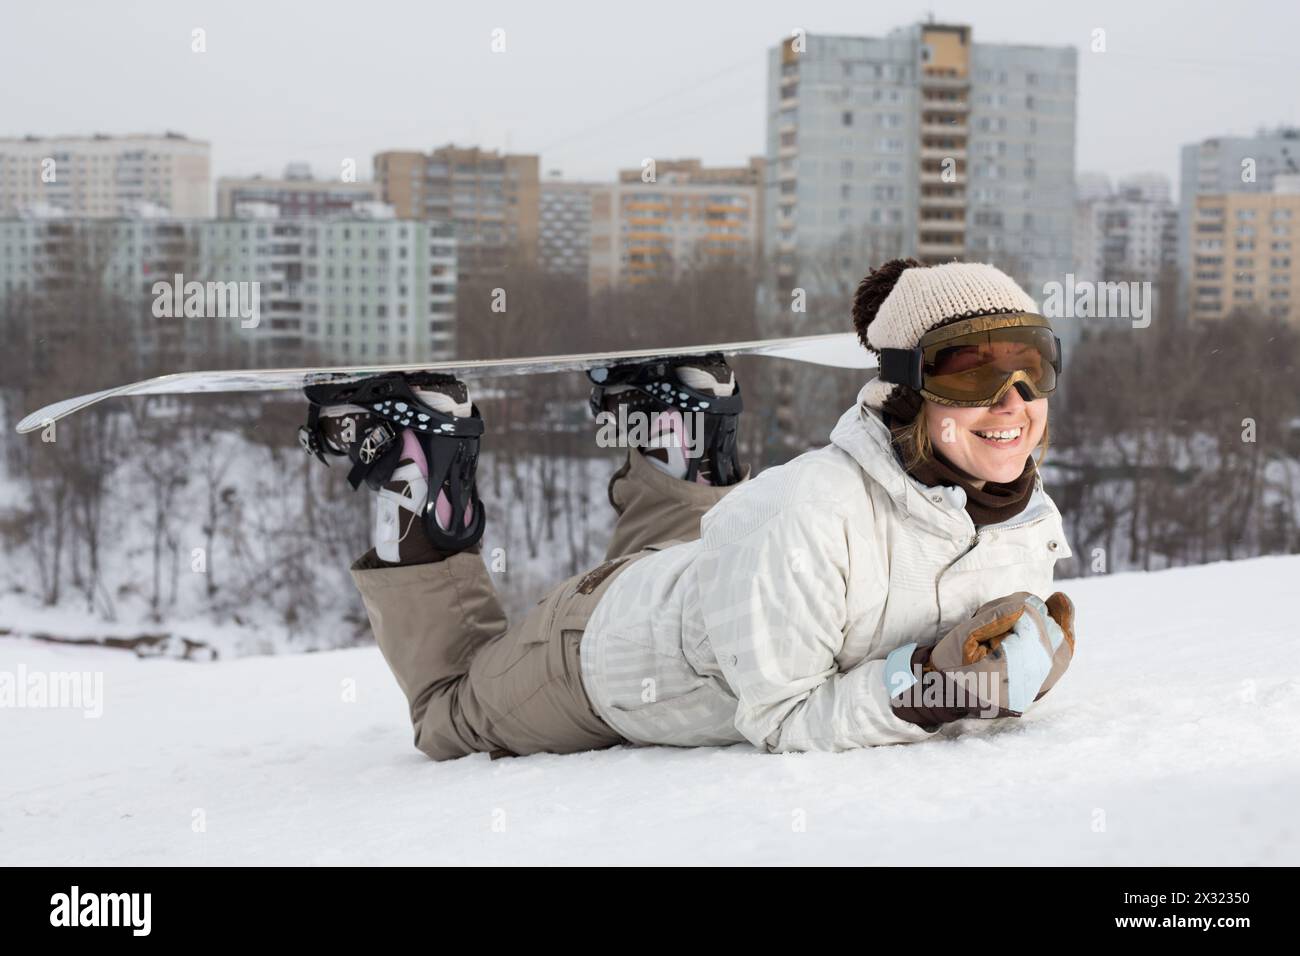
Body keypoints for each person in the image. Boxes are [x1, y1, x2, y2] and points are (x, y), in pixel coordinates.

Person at [299, 259, 1077, 760]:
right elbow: (781, 719)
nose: (1012, 403)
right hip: (594, 661)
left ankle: (677, 420)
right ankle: (411, 451)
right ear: (907, 387)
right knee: (448, 716)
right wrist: (928, 688)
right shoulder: (810, 512)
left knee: (706, 564)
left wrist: (1019, 663)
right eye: (971, 372)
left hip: (707, 591)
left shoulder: (1021, 513)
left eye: (1030, 367)